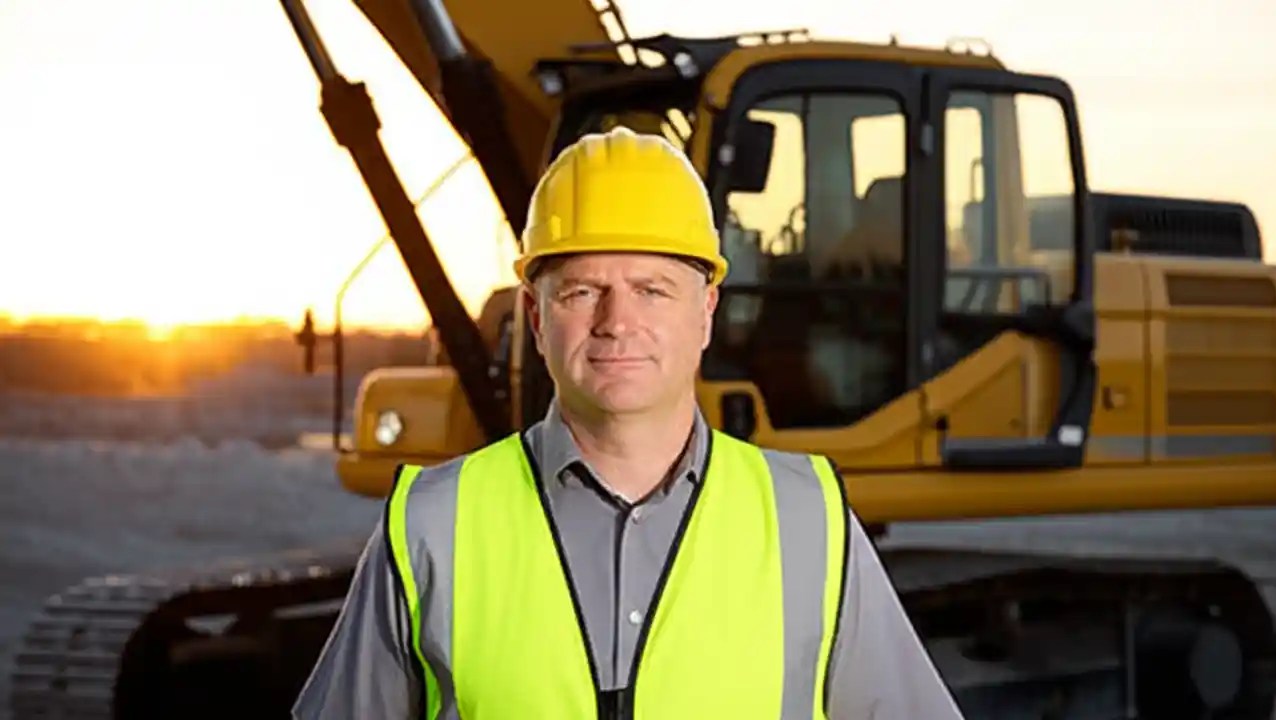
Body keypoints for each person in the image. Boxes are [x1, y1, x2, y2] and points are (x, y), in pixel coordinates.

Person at [292, 127, 964, 719]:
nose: (617, 323)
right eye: (583, 291)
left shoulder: (809, 520)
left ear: (706, 312)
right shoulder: (431, 525)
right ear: (536, 317)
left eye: (651, 290)